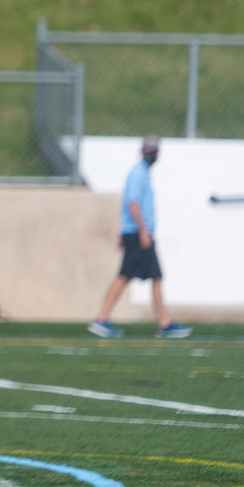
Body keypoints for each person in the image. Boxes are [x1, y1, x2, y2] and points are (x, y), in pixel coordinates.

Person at [88, 135, 191, 339]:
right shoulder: (138, 173)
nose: (154, 155)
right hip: (138, 233)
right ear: (144, 152)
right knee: (132, 276)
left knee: (151, 277)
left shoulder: (142, 173)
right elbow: (132, 203)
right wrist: (143, 231)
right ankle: (103, 319)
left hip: (135, 232)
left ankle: (163, 321)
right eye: (151, 151)